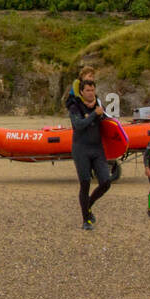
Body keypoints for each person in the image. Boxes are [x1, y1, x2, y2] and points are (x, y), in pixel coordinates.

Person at [66, 76, 111, 230]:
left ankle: (88, 204)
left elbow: (108, 124)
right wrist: (94, 114)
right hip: (81, 149)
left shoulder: (99, 105)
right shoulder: (75, 107)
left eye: (93, 90)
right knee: (85, 184)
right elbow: (78, 125)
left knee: (106, 182)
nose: (91, 93)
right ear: (81, 92)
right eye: (88, 90)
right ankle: (86, 220)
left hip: (97, 149)